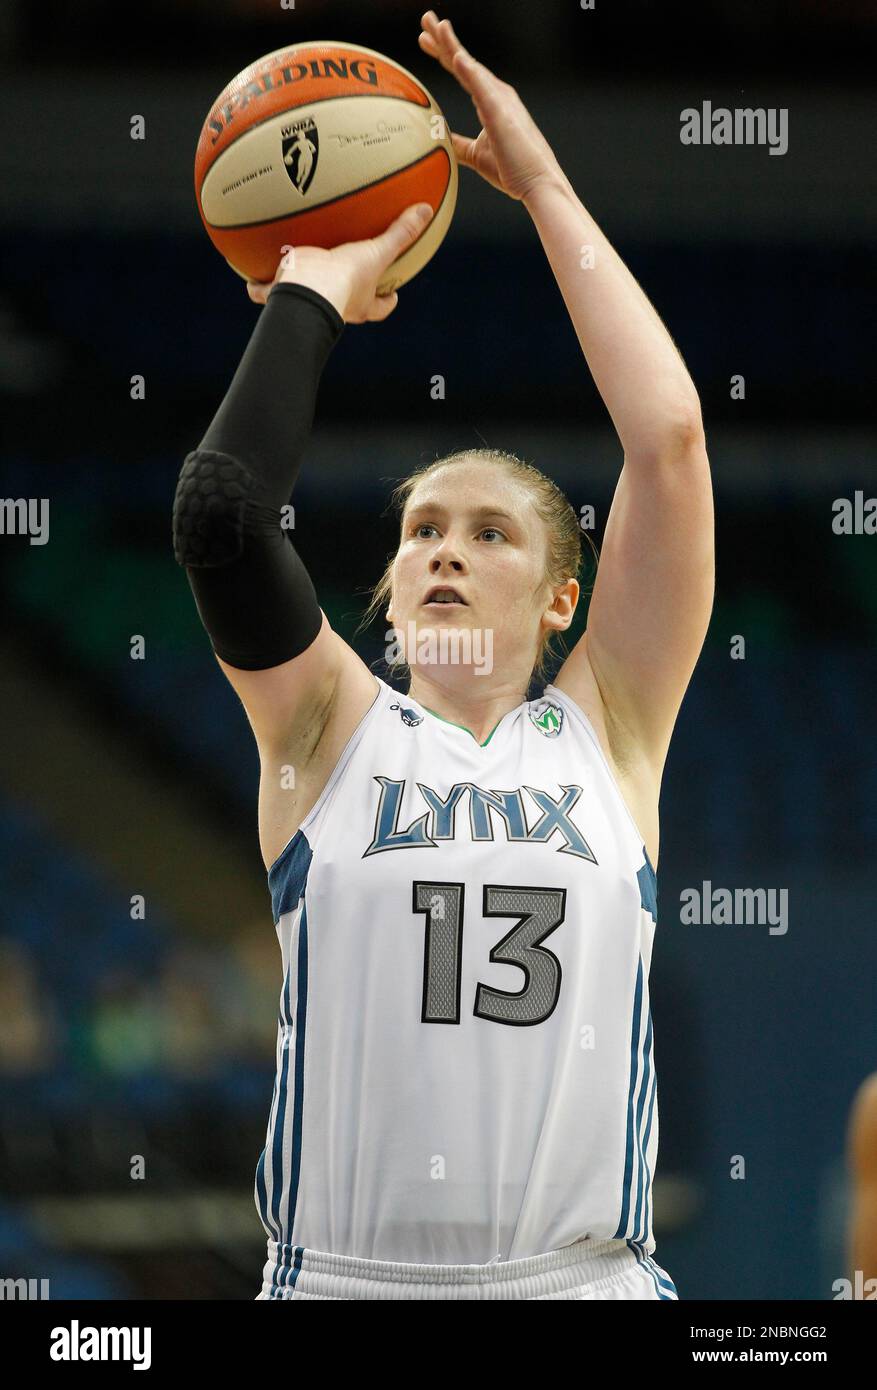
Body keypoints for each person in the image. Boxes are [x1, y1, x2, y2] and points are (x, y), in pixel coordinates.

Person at [172, 11, 714, 1299]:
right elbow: (221, 517)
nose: (446, 551)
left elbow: (672, 441)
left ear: (564, 599)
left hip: (580, 1283)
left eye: (490, 531)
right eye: (421, 530)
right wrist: (312, 280)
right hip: (346, 1281)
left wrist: (544, 190)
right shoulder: (327, 732)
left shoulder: (612, 729)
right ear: (390, 582)